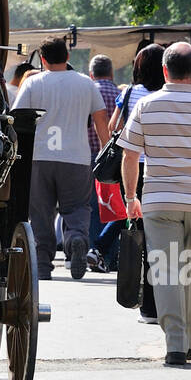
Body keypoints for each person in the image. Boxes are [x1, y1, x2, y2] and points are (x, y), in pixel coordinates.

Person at [119, 42, 191, 366]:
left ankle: (175, 344)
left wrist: (131, 197)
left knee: (166, 270)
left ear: (164, 70)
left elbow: (129, 155)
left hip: (159, 201)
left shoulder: (146, 106)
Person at [12, 36, 110, 280]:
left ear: (43, 60)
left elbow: (19, 119)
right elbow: (100, 120)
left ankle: (43, 264)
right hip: (76, 158)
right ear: (67, 57)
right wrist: (106, 150)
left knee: (40, 212)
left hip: (39, 157)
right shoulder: (86, 84)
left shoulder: (33, 83)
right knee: (77, 207)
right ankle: (76, 237)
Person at [104, 43, 165, 321]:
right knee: (159, 239)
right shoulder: (167, 95)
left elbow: (113, 128)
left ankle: (144, 303)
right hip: (160, 171)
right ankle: (161, 303)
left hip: (132, 171)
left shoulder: (129, 93)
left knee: (138, 235)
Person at [84, 54, 119, 269]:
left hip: (84, 157)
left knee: (88, 208)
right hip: (111, 160)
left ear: (91, 74)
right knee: (110, 207)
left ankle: (90, 253)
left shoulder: (86, 92)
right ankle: (108, 256)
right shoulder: (120, 93)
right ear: (112, 73)